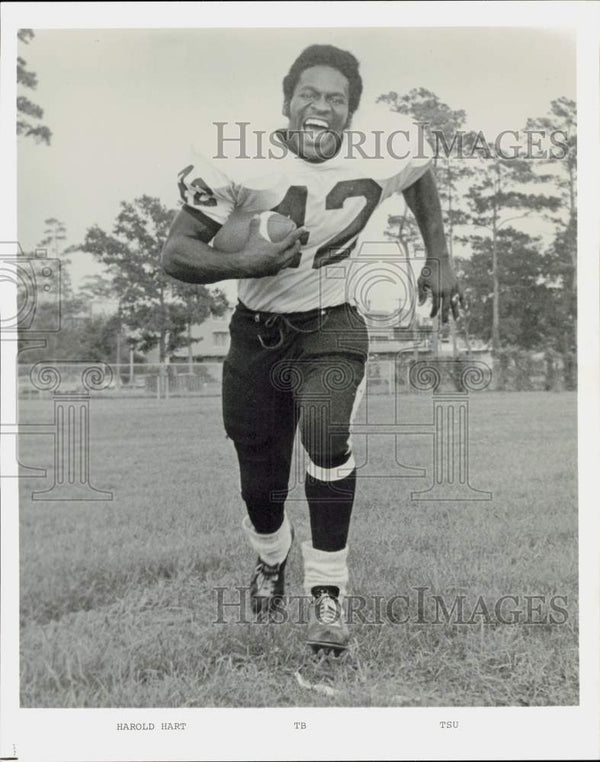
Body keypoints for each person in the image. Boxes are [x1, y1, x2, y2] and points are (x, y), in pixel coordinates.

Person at [162, 44, 462, 654]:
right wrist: (245, 261)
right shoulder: (238, 160)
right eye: (310, 95)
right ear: (286, 101)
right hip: (258, 331)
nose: (321, 108)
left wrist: (439, 254)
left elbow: (421, 174)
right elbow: (176, 253)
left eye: (336, 99)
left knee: (326, 435)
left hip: (333, 324)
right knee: (260, 475)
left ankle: (329, 591)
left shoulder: (383, 148)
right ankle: (272, 556)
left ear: (351, 112)